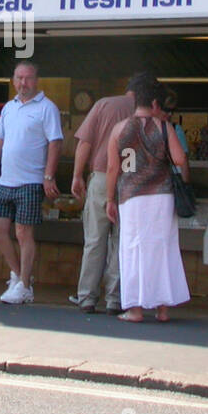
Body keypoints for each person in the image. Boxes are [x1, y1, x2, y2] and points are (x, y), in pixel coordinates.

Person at [0, 60, 63, 305]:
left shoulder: (47, 108)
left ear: (37, 80)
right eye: (19, 78)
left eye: (29, 78)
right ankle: (20, 277)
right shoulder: (8, 108)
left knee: (23, 232)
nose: (24, 83)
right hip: (6, 180)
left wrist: (48, 175)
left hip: (31, 181)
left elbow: (55, 143)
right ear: (13, 81)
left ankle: (23, 286)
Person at [67, 73, 155, 314]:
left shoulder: (104, 104)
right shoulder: (148, 113)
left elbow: (84, 142)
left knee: (95, 240)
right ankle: (114, 299)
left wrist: (76, 175)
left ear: (128, 88)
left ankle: (87, 297)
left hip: (102, 176)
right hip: (132, 182)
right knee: (121, 241)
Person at [105, 76, 190, 322]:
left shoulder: (119, 129)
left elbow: (113, 168)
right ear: (154, 102)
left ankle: (135, 309)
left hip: (131, 197)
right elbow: (180, 160)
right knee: (162, 249)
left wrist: (109, 199)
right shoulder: (165, 127)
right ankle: (162, 309)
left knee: (132, 249)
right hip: (161, 197)